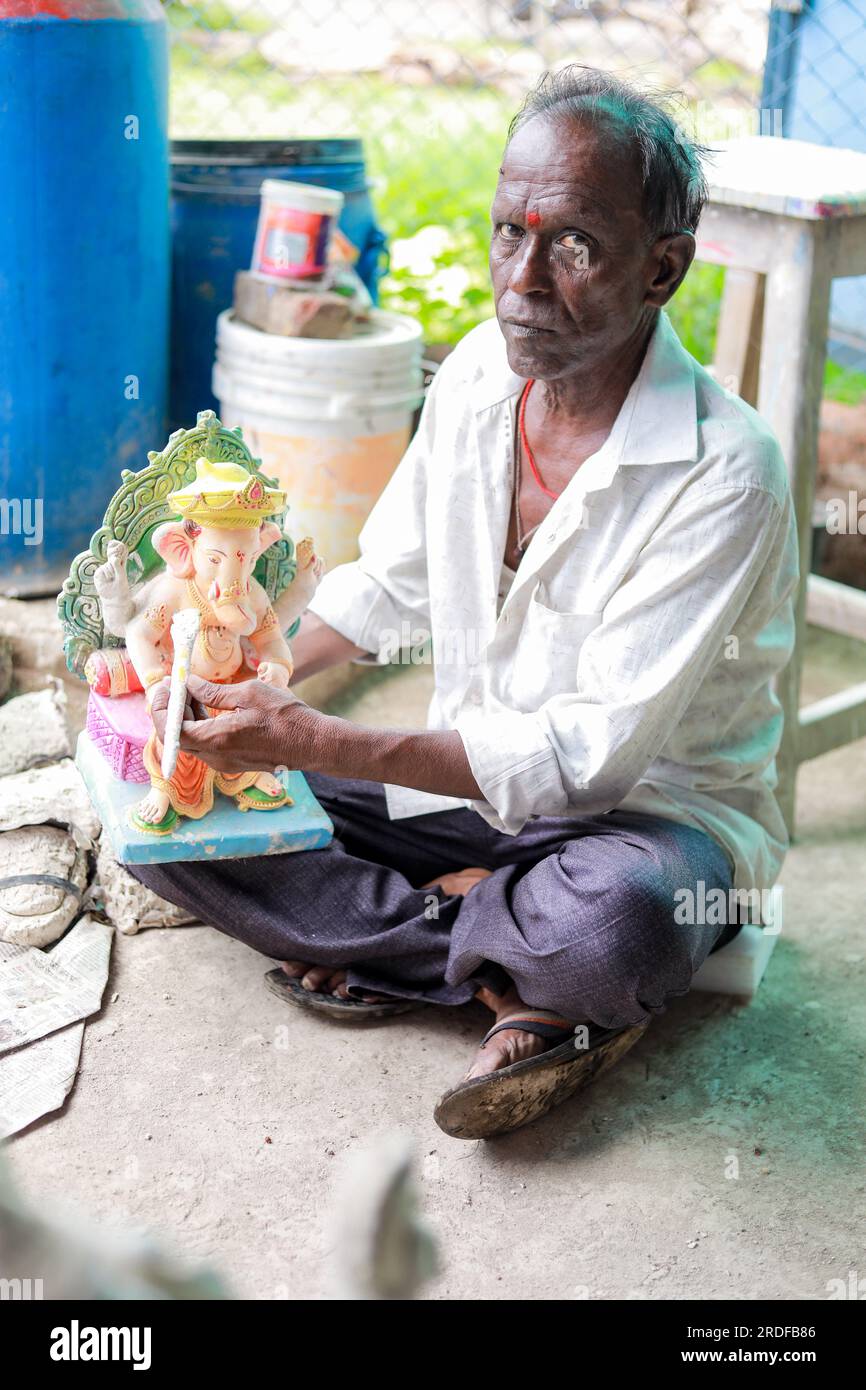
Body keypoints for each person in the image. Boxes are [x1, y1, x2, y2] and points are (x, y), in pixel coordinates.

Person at [130, 66, 798, 1139]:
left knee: (614, 924)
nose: (521, 280)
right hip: (465, 788)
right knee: (169, 821)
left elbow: (584, 763)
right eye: (506, 233)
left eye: (573, 243)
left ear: (663, 269)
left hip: (649, 826)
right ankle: (504, 977)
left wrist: (317, 740)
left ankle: (475, 949)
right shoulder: (481, 374)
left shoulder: (726, 474)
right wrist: (237, 668)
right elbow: (388, 585)